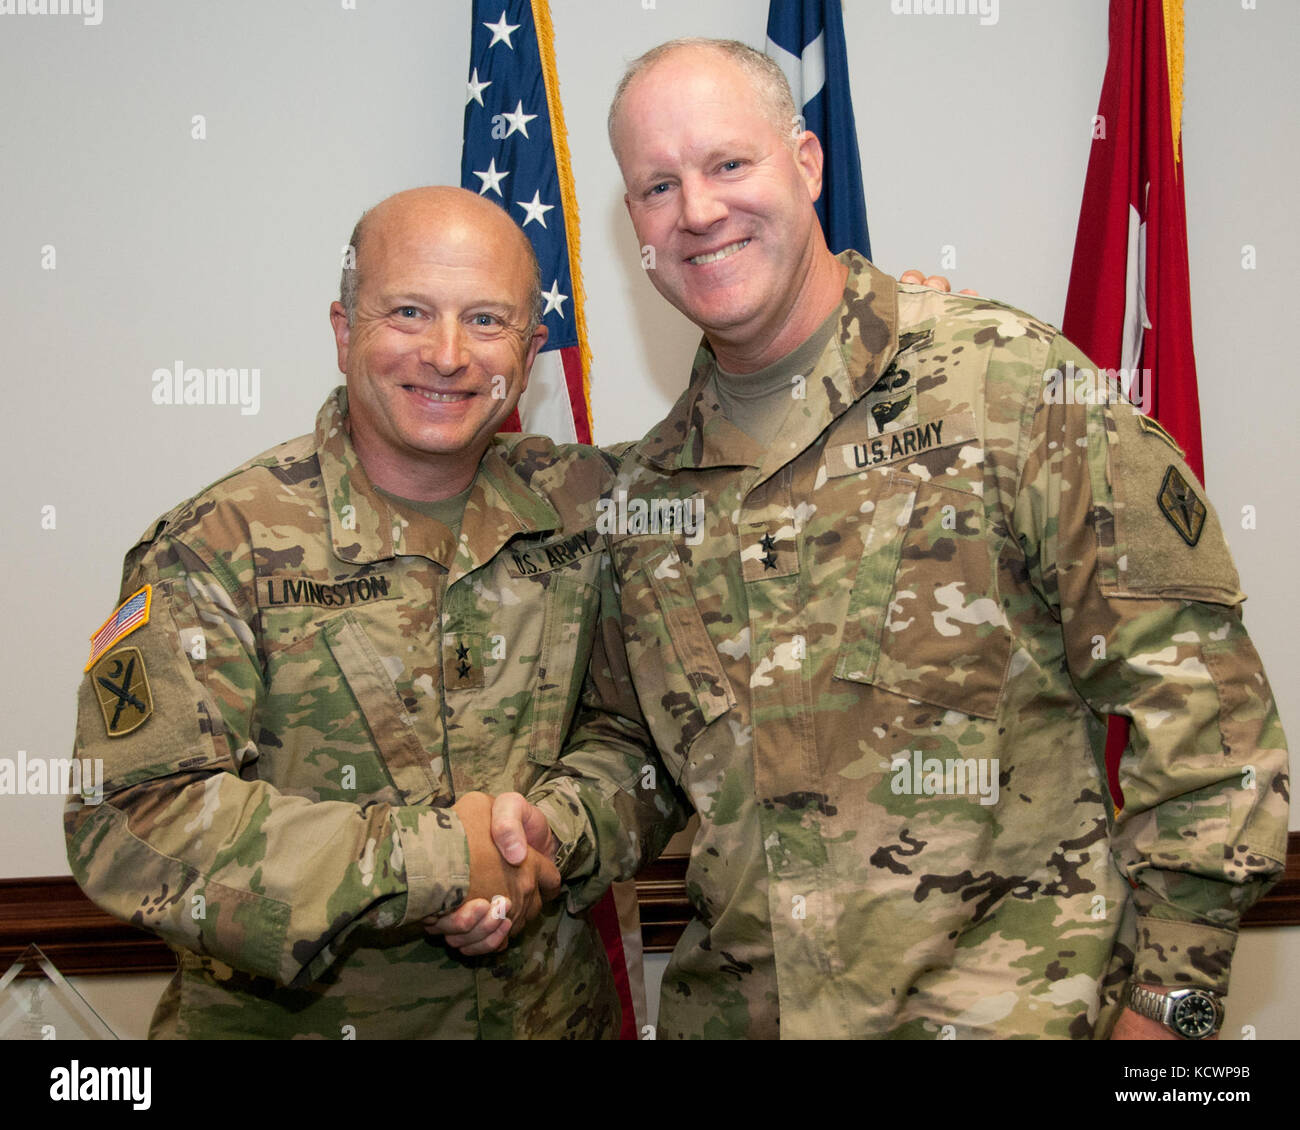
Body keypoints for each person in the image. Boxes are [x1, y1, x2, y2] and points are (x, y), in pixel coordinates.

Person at [575, 37, 1287, 1039]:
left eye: (728, 163)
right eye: (657, 185)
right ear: (635, 223)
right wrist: (514, 844)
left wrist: (1167, 1011)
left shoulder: (1002, 384)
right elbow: (638, 764)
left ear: (807, 164)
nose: (696, 209)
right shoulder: (648, 499)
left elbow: (1209, 713)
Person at [65, 186, 683, 1039]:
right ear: (343, 329)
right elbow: (132, 818)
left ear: (532, 351)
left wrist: (549, 836)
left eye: (487, 321)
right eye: (408, 311)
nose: (446, 353)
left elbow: (646, 732)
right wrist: (434, 863)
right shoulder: (217, 544)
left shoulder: (589, 507)